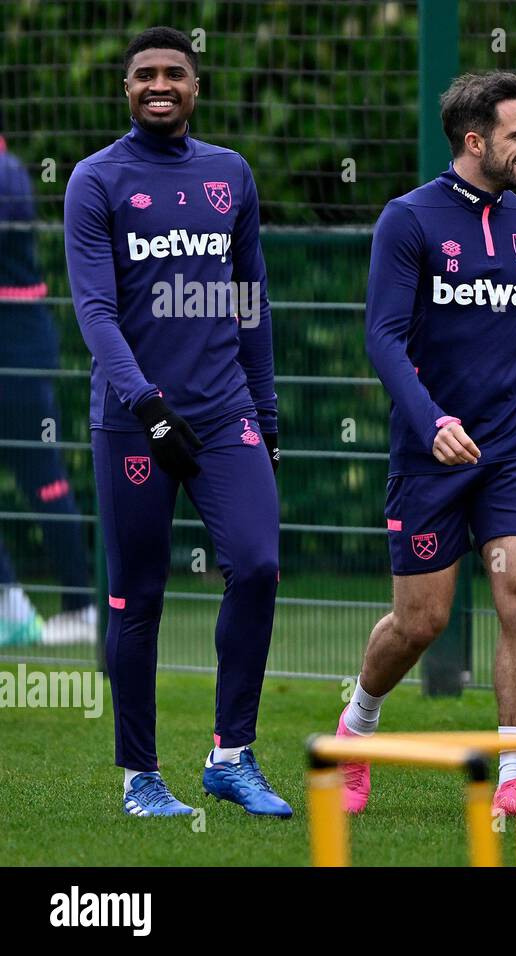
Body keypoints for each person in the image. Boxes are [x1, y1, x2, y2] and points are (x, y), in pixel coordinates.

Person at [64, 27, 287, 817]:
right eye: (145, 75)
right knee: (138, 597)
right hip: (135, 422)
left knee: (258, 565)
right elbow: (95, 309)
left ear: (196, 86)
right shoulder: (96, 180)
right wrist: (146, 403)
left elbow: (250, 303)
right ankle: (140, 777)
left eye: (175, 74)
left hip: (227, 415)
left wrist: (264, 409)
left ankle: (232, 756)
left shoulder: (230, 174)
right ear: (126, 89)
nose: (160, 85)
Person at [333, 72, 516, 818]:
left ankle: (514, 784)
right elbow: (383, 338)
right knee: (421, 622)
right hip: (429, 451)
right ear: (475, 141)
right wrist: (432, 421)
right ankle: (356, 728)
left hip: (515, 450)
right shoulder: (408, 220)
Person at [0, 121, 96, 647]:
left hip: (16, 354)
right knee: (45, 479)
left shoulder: (5, 173)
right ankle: (14, 601)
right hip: (21, 348)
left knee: (45, 480)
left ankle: (79, 606)